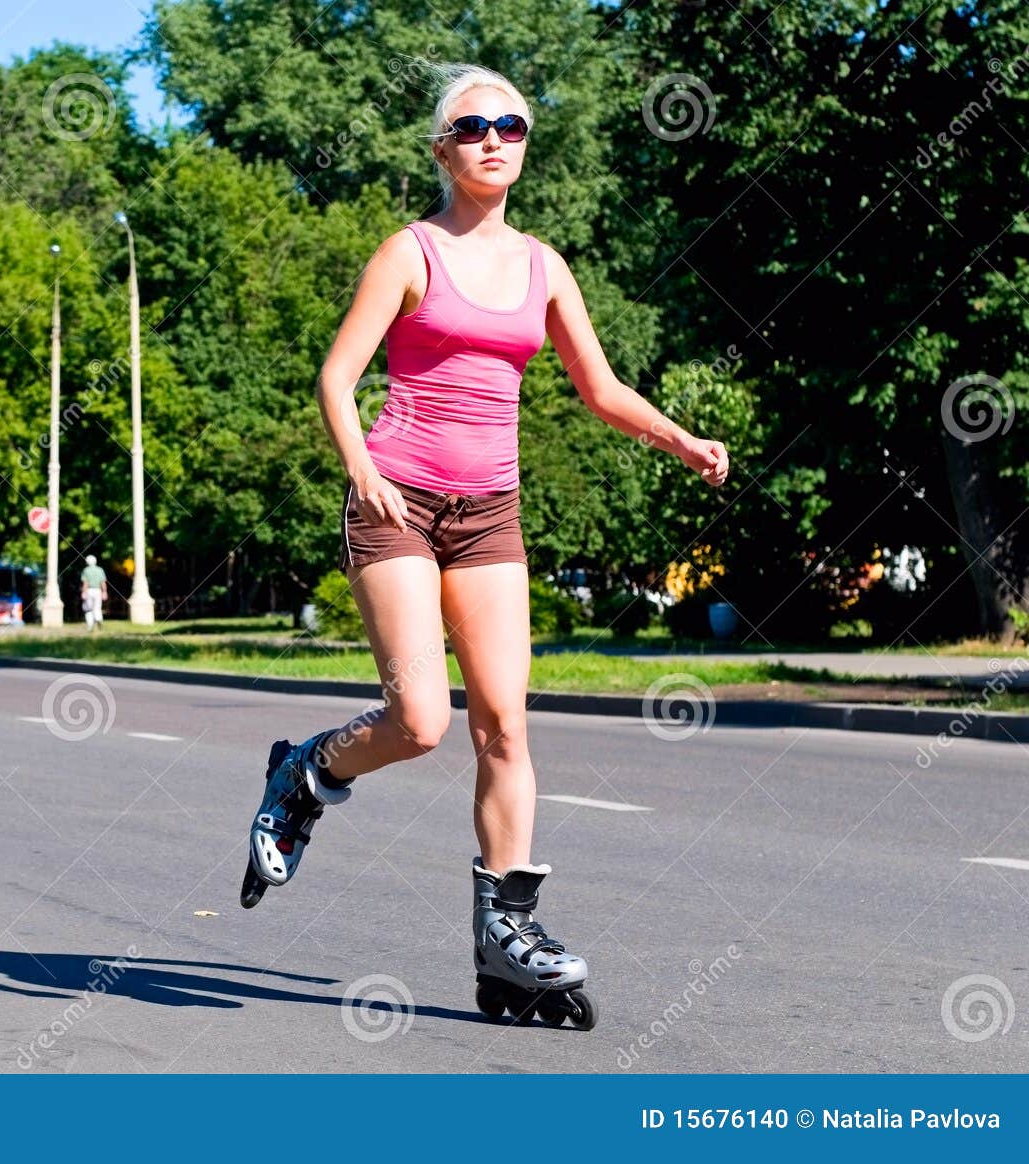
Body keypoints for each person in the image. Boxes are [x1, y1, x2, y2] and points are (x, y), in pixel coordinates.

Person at [239, 61, 730, 1032]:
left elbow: (599, 386)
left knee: (504, 723)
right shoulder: (409, 253)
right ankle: (307, 771)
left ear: (524, 144)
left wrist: (678, 437)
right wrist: (363, 471)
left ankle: (507, 938)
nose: (492, 138)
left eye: (508, 125)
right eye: (471, 127)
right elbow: (337, 379)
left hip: (488, 515)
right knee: (420, 720)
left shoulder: (544, 266)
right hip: (398, 502)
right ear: (442, 148)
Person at [79, 555, 108, 632]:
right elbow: (103, 583)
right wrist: (104, 592)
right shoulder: (100, 570)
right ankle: (98, 619)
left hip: (89, 590)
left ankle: (90, 625)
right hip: (98, 590)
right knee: (97, 607)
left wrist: (84, 592)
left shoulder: (86, 570)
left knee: (88, 609)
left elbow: (85, 583)